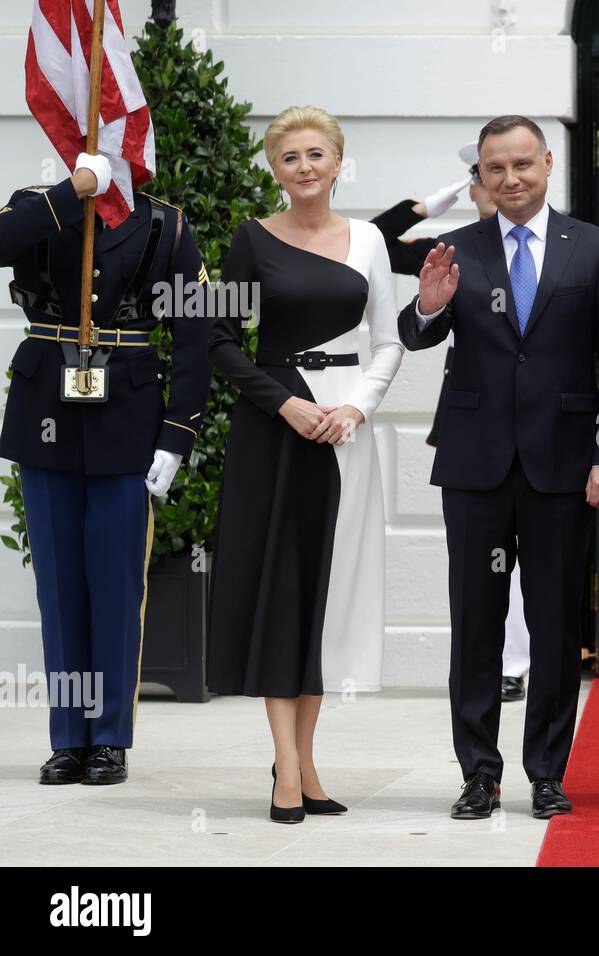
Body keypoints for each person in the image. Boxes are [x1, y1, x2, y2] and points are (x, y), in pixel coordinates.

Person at [398, 115, 599, 820]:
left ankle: (547, 773)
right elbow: (417, 333)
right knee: (477, 621)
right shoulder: (456, 248)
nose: (510, 179)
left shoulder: (594, 248)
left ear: (548, 163)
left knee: (557, 624)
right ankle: (479, 773)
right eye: (495, 168)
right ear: (482, 175)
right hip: (475, 462)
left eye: (522, 165)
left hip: (565, 465)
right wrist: (426, 306)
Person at [205, 106, 403, 824]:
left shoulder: (373, 240)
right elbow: (221, 342)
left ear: (339, 160)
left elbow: (388, 340)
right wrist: (284, 405)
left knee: (327, 600)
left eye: (317, 153)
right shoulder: (250, 240)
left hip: (345, 435)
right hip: (275, 434)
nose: (305, 167)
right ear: (274, 169)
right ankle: (285, 769)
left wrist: (356, 408)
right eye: (291, 157)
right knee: (282, 594)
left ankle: (306, 761)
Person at [0, 158, 210, 787]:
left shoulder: (167, 228)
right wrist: (73, 191)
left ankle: (109, 738)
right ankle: (68, 738)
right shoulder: (41, 206)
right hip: (47, 415)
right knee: (59, 587)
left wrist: (177, 437)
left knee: (118, 586)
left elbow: (196, 335)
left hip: (129, 422)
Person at [369, 145, 532, 703]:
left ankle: (520, 660)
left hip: (538, 424)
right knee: (482, 558)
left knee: (531, 559)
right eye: (482, 177)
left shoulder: (556, 244)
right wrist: (424, 207)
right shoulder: (452, 249)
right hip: (478, 424)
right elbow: (373, 243)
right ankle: (496, 664)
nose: (491, 186)